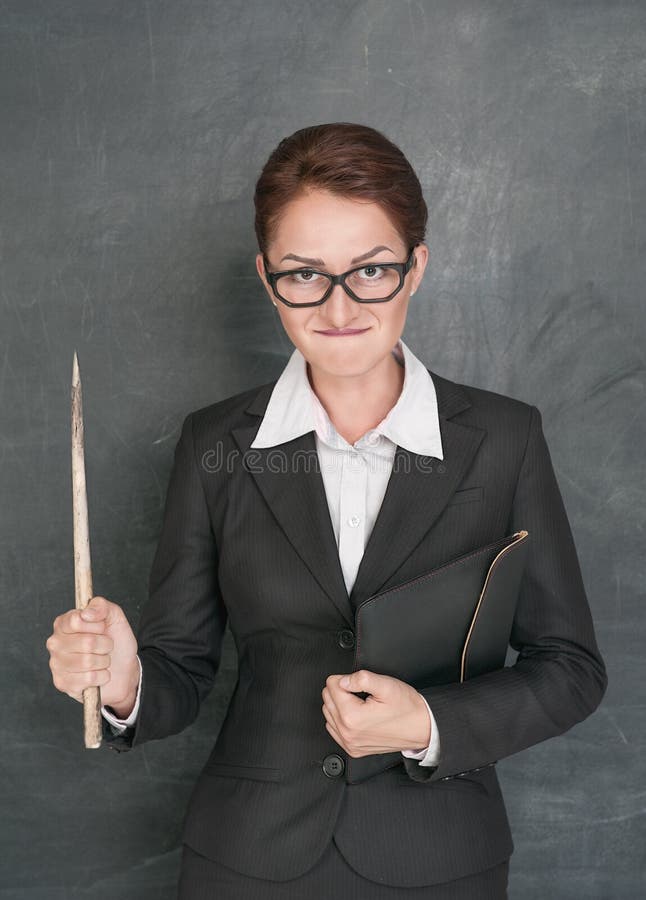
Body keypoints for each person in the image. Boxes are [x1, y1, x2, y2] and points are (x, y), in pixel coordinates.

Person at [46, 123, 607, 899]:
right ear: (266, 276)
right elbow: (179, 667)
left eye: (371, 270)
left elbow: (571, 670)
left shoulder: (505, 439)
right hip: (244, 861)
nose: (338, 306)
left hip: (441, 861)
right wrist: (123, 679)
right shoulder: (216, 444)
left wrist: (429, 726)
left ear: (416, 269)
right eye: (304, 275)